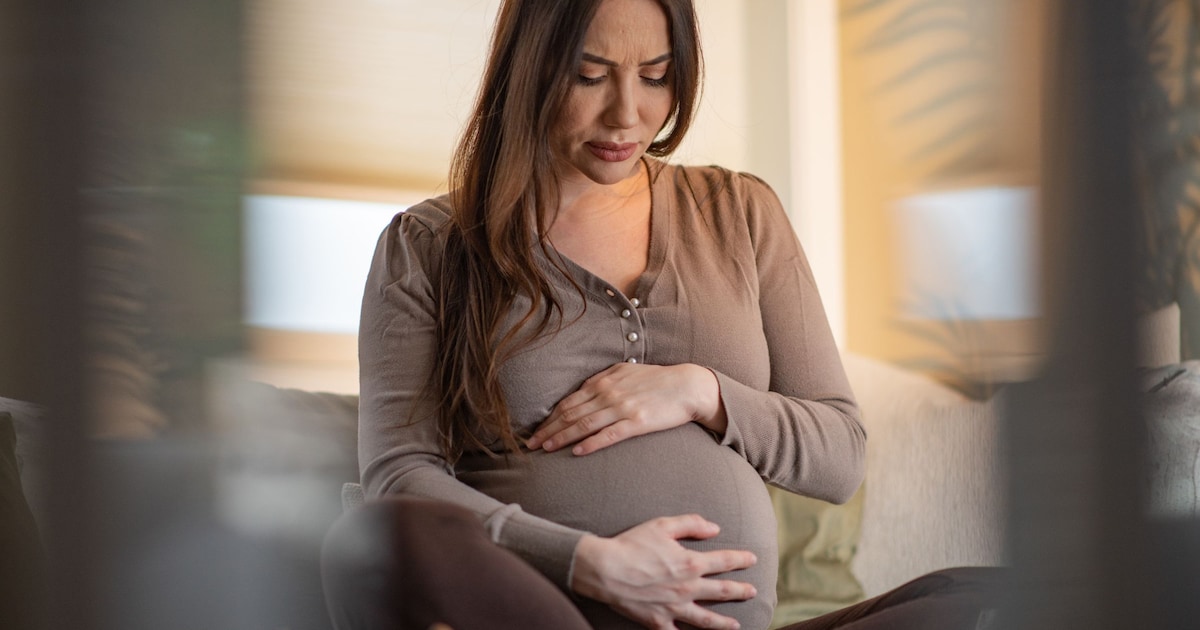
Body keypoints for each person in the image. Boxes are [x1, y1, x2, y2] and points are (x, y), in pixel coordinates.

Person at [321, 0, 1001, 628]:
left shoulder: (739, 213)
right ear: (527, 69)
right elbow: (399, 478)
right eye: (589, 76)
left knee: (990, 597)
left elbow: (840, 457)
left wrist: (702, 393)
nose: (627, 115)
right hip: (550, 615)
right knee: (371, 536)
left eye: (655, 76)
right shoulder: (430, 245)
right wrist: (588, 563)